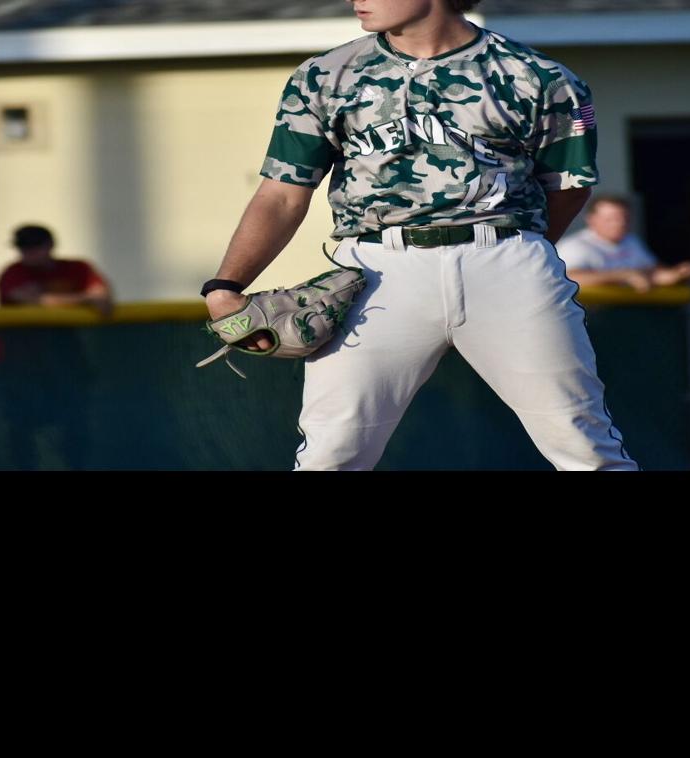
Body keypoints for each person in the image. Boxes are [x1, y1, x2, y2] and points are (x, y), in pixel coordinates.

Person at [203, 0, 637, 470]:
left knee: (584, 445)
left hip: (505, 262)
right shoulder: (326, 76)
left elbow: (569, 187)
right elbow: (283, 194)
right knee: (332, 454)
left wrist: (514, 253)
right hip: (377, 272)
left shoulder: (536, 76)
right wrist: (226, 284)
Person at [0, 224, 111, 470]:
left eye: (34, 247)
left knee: (75, 424)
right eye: (23, 247)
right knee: (21, 427)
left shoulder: (77, 268)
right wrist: (83, 299)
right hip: (19, 364)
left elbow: (103, 300)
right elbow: (35, 301)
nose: (28, 253)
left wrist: (62, 300)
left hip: (65, 360)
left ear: (48, 246)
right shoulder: (13, 273)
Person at [555, 195, 690, 293]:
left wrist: (677, 274)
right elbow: (568, 278)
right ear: (591, 220)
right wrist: (624, 276)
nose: (619, 223)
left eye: (624, 218)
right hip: (589, 321)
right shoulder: (575, 245)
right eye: (611, 219)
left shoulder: (631, 241)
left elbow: (651, 271)